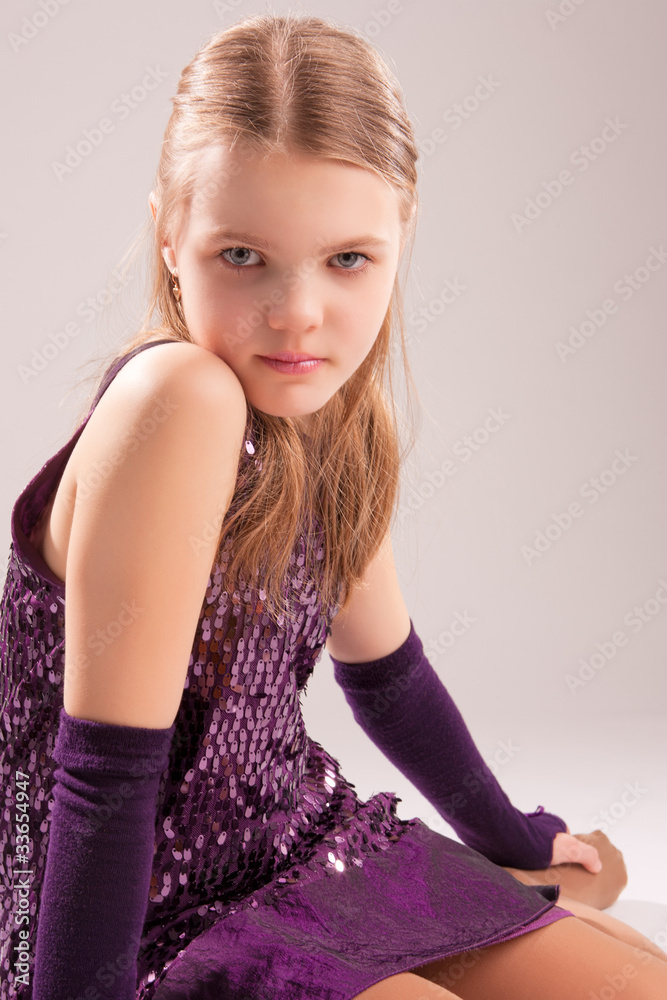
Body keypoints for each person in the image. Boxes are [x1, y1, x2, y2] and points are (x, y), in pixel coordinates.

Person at [1, 11, 665, 1000]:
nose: (298, 314)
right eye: (242, 256)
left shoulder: (332, 421)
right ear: (170, 237)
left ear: (401, 237)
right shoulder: (179, 398)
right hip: (136, 919)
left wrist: (519, 840)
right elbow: (104, 775)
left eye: (346, 259)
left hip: (305, 847)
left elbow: (390, 680)